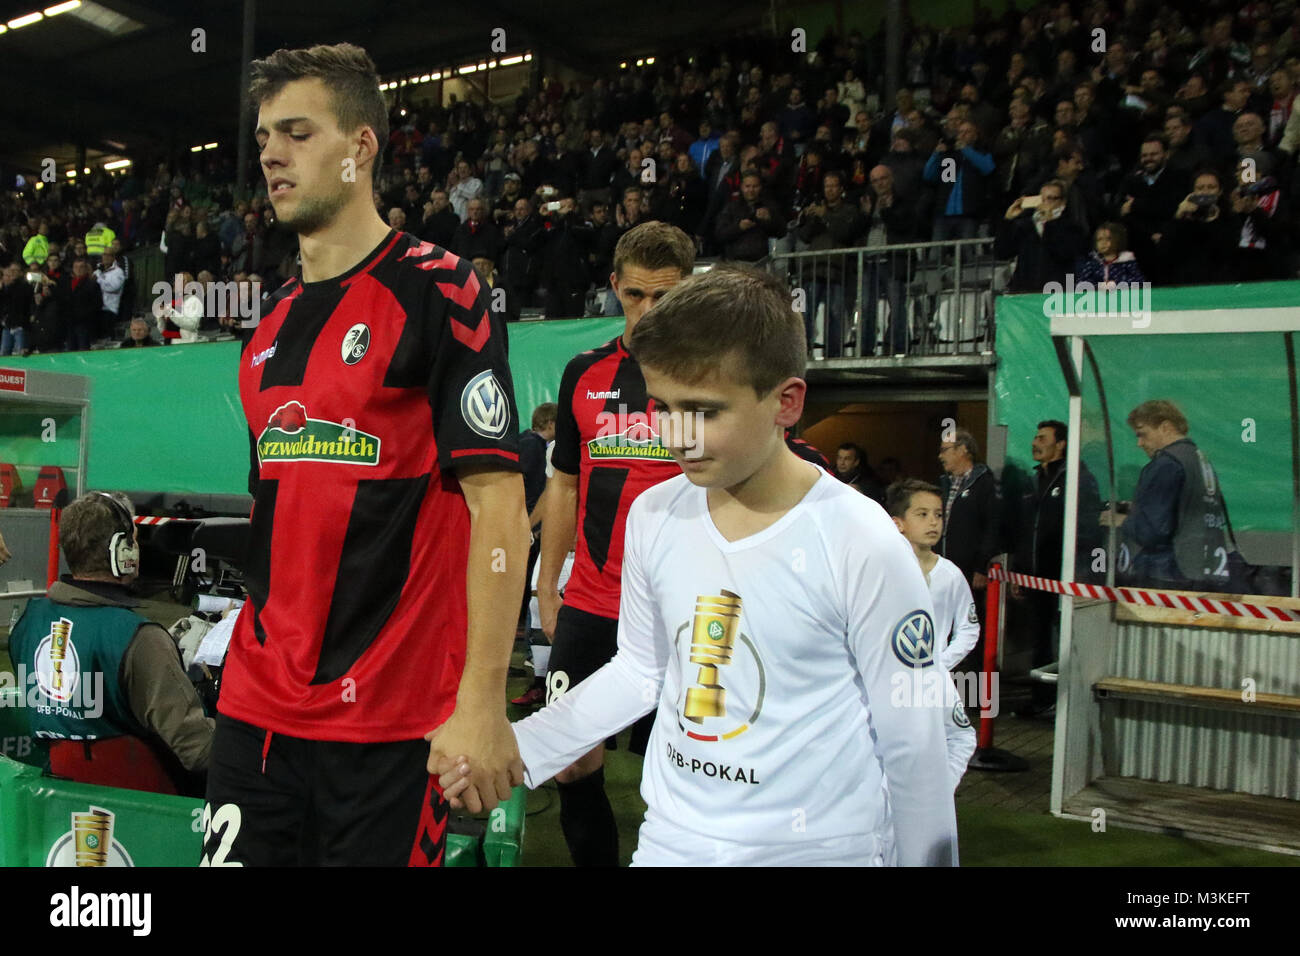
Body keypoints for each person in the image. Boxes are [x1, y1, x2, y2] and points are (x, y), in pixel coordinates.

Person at [441, 266, 958, 866]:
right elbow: (640, 670)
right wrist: (515, 747)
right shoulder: (656, 514)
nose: (675, 435)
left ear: (786, 402)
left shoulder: (861, 539)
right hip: (671, 844)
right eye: (661, 407)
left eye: (705, 411)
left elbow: (915, 742)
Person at [206, 42, 526, 868]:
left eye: (298, 132)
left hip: (391, 728)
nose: (271, 152)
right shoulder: (266, 329)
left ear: (360, 147)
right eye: (266, 134)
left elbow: (498, 508)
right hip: (256, 713)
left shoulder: (442, 290)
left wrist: (482, 703)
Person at [534, 221, 696, 866]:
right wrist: (548, 584)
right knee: (572, 765)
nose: (648, 312)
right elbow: (566, 486)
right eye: (635, 296)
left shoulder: (713, 378)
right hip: (594, 606)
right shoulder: (585, 372)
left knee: (685, 775)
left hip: (686, 613)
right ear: (613, 290)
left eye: (665, 297)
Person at [7, 492, 214, 795]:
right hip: (145, 808)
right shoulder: (141, 639)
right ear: (123, 551)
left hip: (62, 802)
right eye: (133, 539)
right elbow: (198, 751)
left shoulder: (27, 625)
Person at [886, 478, 978, 790]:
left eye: (938, 515)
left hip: (933, 680)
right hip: (887, 680)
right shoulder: (882, 571)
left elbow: (969, 627)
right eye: (922, 515)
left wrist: (941, 663)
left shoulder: (950, 575)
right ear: (898, 523)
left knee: (959, 737)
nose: (933, 523)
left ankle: (936, 799)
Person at [1009, 421, 1102, 716]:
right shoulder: (1034, 481)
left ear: (1061, 444)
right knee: (1039, 641)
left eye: (1042, 438)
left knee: (1062, 639)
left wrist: (1078, 573)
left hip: (1064, 578)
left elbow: (1087, 530)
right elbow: (1025, 531)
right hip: (1036, 578)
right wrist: (1019, 572)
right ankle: (1042, 701)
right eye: (1035, 437)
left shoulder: (1078, 479)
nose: (1035, 443)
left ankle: (1065, 706)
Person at [1107, 400, 1247, 593]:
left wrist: (1123, 520)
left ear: (1166, 427)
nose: (1139, 443)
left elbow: (1154, 530)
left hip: (1167, 574)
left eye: (1142, 434)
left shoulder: (1165, 464)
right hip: (1202, 568)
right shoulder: (1199, 459)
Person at [937, 428, 999, 671]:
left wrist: (981, 566)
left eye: (945, 450)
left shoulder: (985, 484)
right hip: (943, 569)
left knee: (968, 628)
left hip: (969, 571)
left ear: (964, 450)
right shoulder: (943, 484)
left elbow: (992, 527)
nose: (940, 456)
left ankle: (972, 693)